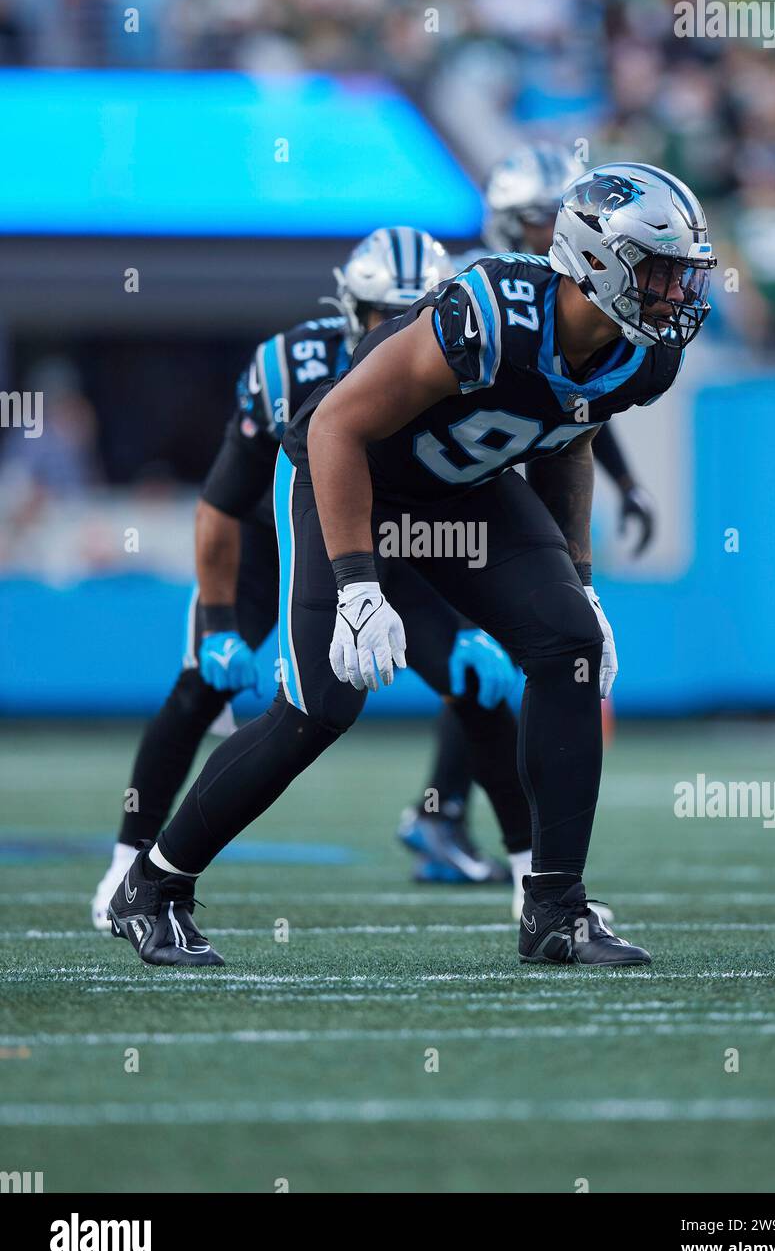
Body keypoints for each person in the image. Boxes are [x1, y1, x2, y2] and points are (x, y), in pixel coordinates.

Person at [108, 162, 715, 969]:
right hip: (345, 472)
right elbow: (335, 427)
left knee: (568, 643)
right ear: (599, 261)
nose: (679, 292)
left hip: (461, 488)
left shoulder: (642, 359)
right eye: (662, 270)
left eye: (685, 272)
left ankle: (556, 910)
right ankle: (152, 888)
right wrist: (360, 583)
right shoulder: (494, 312)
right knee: (321, 705)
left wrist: (583, 580)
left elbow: (571, 439)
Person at [91, 227, 533, 927]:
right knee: (204, 685)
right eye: (383, 316)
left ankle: (530, 872)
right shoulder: (288, 367)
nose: (398, 334)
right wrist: (217, 622)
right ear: (349, 309)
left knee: (474, 683)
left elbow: (480, 496)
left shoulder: (464, 364)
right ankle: (128, 861)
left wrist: (471, 622)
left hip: (390, 547)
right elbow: (220, 503)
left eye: (416, 315)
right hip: (274, 544)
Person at [399, 145, 656, 888]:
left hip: (505, 485)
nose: (549, 234)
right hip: (441, 491)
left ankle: (447, 817)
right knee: (483, 660)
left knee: (501, 659)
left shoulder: (582, 306)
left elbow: (578, 405)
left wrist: (628, 482)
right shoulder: (482, 292)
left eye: (556, 219)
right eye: (537, 220)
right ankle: (442, 815)